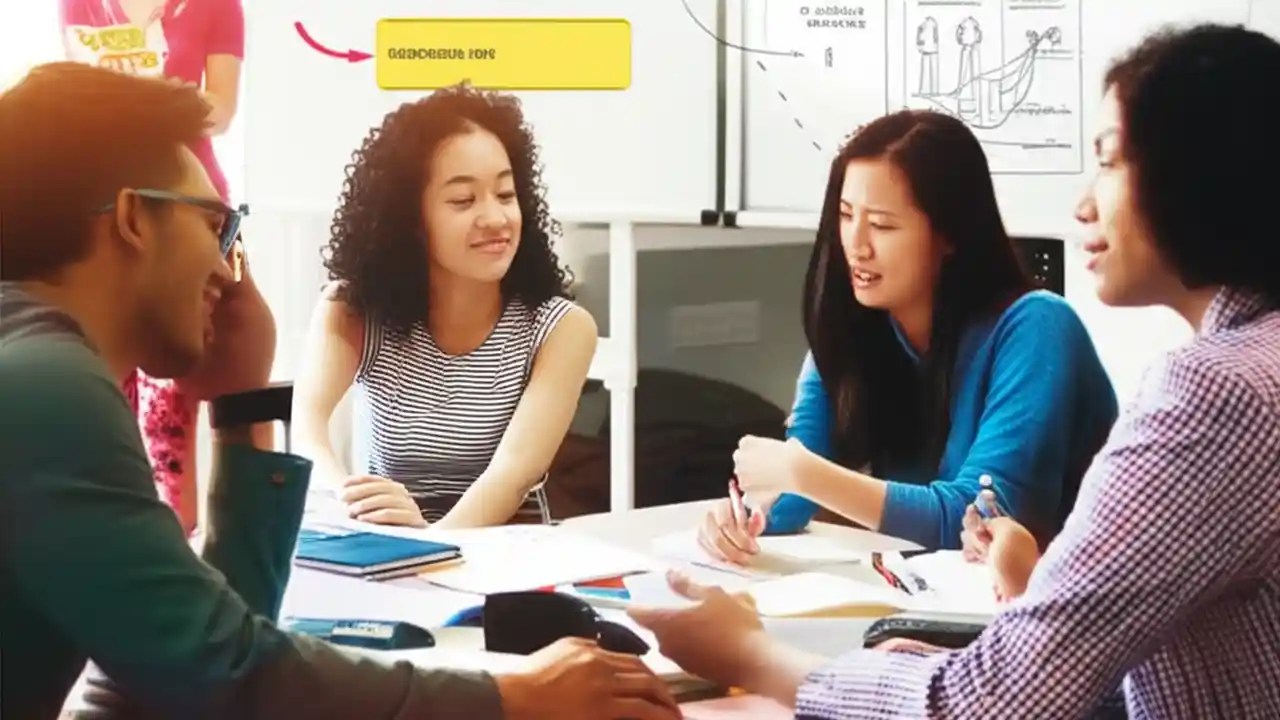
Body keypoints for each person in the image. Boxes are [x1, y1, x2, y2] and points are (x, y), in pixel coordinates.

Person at [630, 23, 1280, 718]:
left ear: (1201, 175)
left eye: (1111, 163)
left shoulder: (1212, 391)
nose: (1083, 203)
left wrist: (745, 654)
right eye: (846, 217)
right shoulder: (1254, 363)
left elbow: (993, 703)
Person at [0, 62, 678, 720]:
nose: (223, 264)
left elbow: (170, 680)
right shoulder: (47, 389)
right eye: (216, 225)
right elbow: (223, 674)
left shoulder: (34, 367)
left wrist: (242, 410)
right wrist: (509, 699)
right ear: (132, 219)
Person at [699, 109, 1118, 561]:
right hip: (927, 601)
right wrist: (744, 518)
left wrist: (803, 473)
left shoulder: (1037, 328)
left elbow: (976, 524)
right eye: (845, 216)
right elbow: (790, 499)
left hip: (1054, 614)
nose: (856, 246)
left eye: (881, 225)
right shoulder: (854, 327)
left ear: (950, 234)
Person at [291, 83, 597, 530]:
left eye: (506, 195)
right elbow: (306, 433)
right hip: (387, 546)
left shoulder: (563, 329)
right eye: (463, 200)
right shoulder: (351, 310)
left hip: (502, 558)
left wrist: (430, 543)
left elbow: (514, 475)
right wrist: (350, 504)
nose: (496, 219)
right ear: (409, 219)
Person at [58, 0, 251, 533]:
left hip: (187, 202)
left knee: (173, 388)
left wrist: (148, 95)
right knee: (103, 374)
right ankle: (112, 524)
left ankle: (176, 533)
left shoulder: (218, 6)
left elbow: (222, 109)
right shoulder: (80, 4)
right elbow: (75, 102)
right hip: (102, 202)